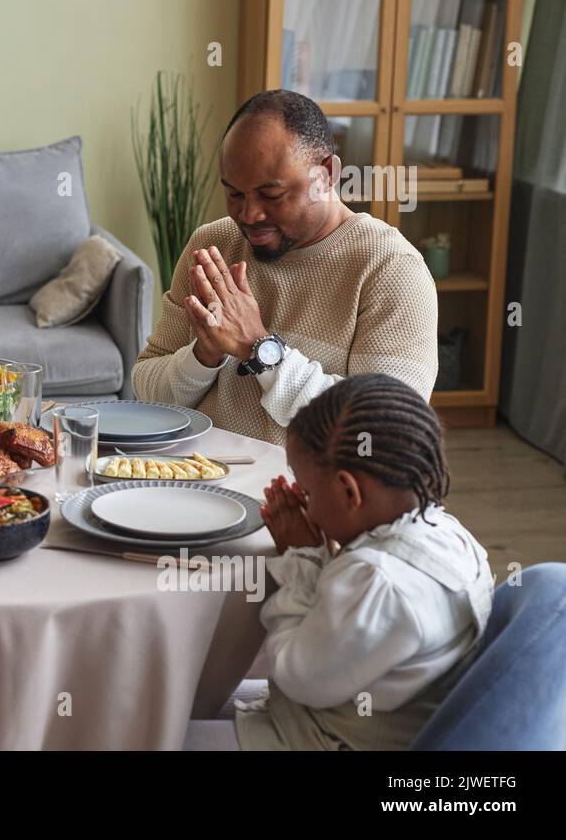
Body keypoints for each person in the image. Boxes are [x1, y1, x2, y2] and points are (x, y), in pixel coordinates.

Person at [132, 90, 438, 446]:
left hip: (302, 498)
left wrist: (259, 348)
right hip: (193, 483)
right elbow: (147, 394)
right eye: (234, 193)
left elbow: (387, 432)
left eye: (271, 195)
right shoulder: (212, 246)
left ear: (326, 175)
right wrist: (203, 355)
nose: (249, 215)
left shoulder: (390, 269)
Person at [214, 375, 493, 750]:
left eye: (309, 493)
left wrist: (302, 560)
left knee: (155, 731)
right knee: (188, 697)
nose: (308, 509)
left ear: (349, 490)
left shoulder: (378, 582)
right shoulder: (451, 534)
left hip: (320, 739)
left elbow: (297, 676)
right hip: (338, 717)